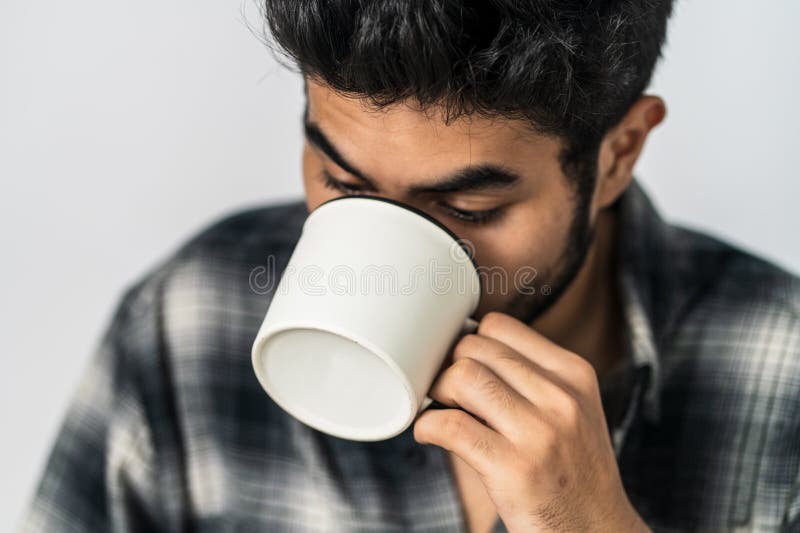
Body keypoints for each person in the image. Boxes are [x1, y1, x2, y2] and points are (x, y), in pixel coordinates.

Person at [18, 1, 800, 532]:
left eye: (468, 210)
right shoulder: (188, 320)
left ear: (619, 153)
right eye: (342, 181)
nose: (389, 265)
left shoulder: (782, 371)